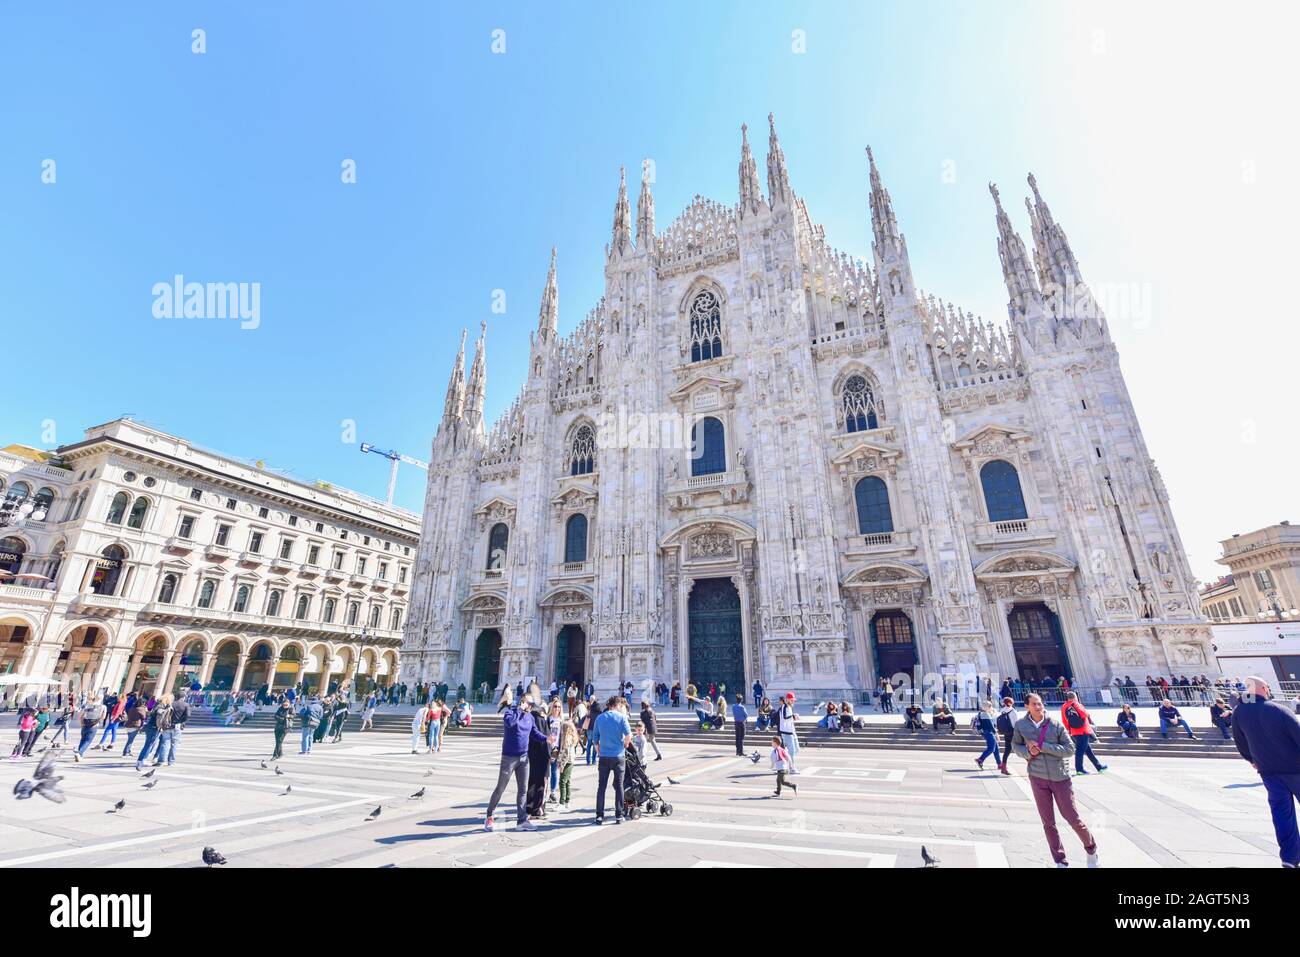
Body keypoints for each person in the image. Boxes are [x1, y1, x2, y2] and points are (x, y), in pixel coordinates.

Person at [1012, 693, 1100, 868]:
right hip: (1037, 778)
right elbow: (1016, 745)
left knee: (1073, 818)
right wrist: (1028, 753)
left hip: (1060, 777)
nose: (1038, 707)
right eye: (1034, 704)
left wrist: (1043, 747)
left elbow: (1070, 749)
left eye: (1040, 703)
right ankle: (1060, 861)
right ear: (1027, 706)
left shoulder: (1055, 724)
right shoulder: (1021, 725)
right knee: (1048, 823)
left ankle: (1091, 850)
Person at [1231, 676, 1300, 868]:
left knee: (1282, 815)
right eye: (1267, 687)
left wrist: (1252, 760)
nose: (1269, 690)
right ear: (1262, 688)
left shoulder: (1239, 711)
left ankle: (1289, 858)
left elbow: (1239, 740)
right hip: (1295, 770)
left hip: (1268, 771)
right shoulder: (1278, 709)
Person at [484, 694, 549, 832]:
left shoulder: (530, 717)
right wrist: (519, 709)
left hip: (524, 758)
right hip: (509, 758)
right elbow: (512, 725)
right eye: (530, 705)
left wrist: (546, 738)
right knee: (500, 788)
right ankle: (490, 815)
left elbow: (534, 733)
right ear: (523, 702)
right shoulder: (510, 714)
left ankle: (522, 821)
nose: (531, 708)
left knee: (523, 790)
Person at [591, 696, 633, 825]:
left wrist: (599, 751)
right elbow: (629, 735)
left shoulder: (600, 718)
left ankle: (599, 816)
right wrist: (625, 745)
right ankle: (619, 815)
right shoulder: (621, 717)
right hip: (618, 756)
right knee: (619, 785)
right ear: (617, 705)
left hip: (604, 756)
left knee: (601, 787)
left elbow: (595, 739)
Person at [1061, 691, 1106, 775]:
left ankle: (1099, 767)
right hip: (1083, 730)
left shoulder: (1064, 706)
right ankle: (1079, 769)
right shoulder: (1077, 704)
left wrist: (1069, 729)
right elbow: (1084, 714)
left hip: (1074, 731)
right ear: (1075, 697)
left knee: (1087, 750)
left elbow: (1064, 720)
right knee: (1080, 750)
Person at [555, 719, 579, 812]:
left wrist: (561, 765)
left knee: (562, 782)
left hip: (566, 762)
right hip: (570, 762)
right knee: (567, 781)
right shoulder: (571, 737)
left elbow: (565, 754)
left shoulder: (566, 739)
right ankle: (567, 801)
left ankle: (562, 802)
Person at [974, 700, 1002, 771]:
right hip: (989, 733)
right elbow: (991, 726)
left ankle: (1000, 764)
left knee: (996, 749)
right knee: (991, 749)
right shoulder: (985, 714)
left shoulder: (981, 713)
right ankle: (980, 759)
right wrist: (996, 734)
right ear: (987, 707)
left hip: (986, 732)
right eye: (990, 706)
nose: (991, 708)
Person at [776, 692, 800, 774]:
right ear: (788, 700)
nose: (793, 701)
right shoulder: (784, 707)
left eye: (793, 700)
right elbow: (785, 718)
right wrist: (793, 716)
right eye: (792, 700)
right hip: (786, 732)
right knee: (792, 751)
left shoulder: (788, 707)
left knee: (796, 749)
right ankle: (792, 767)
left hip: (791, 731)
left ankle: (784, 761)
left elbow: (788, 719)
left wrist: (793, 717)